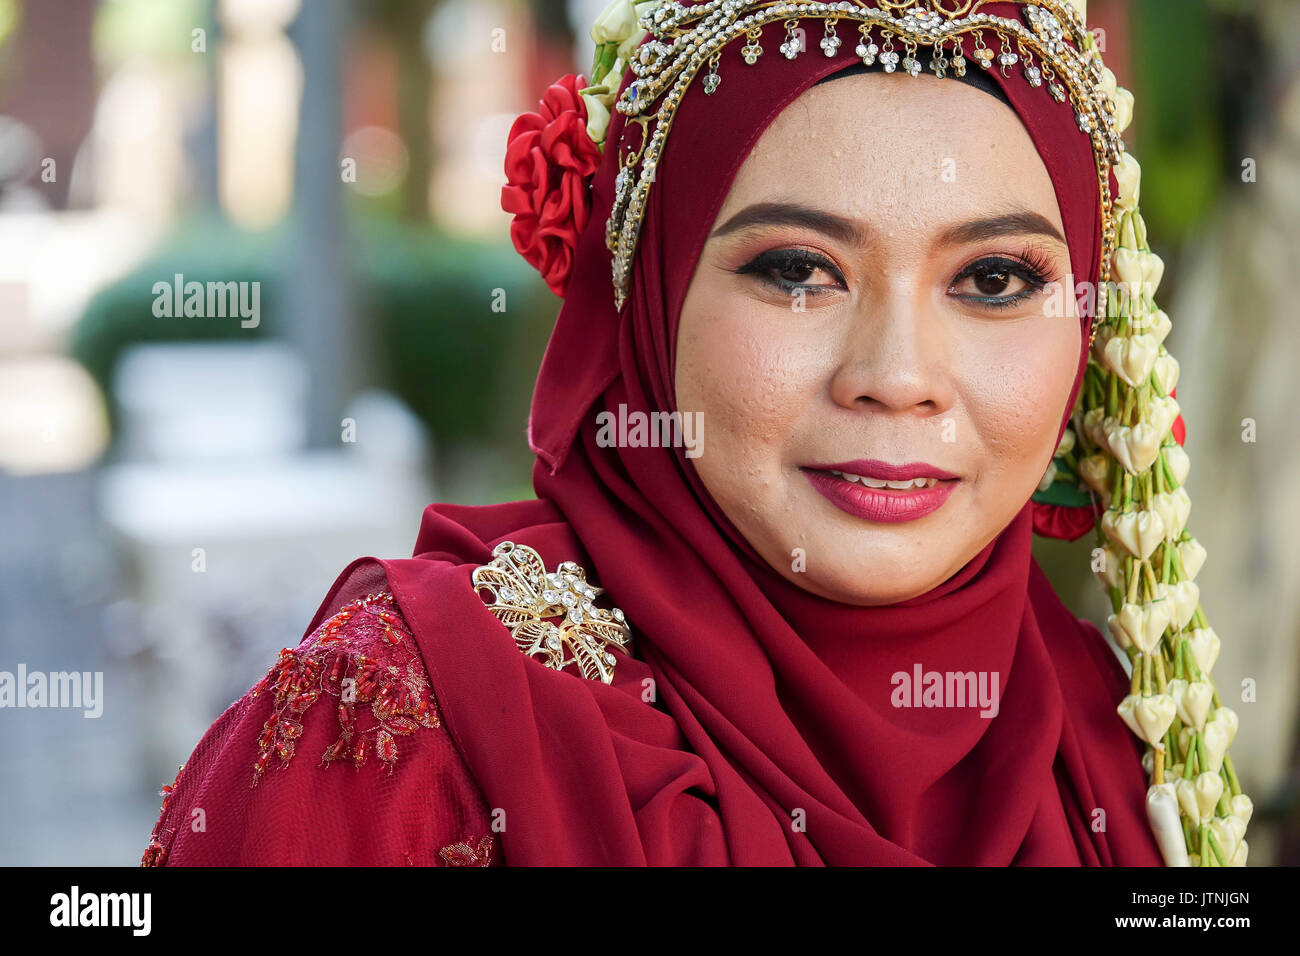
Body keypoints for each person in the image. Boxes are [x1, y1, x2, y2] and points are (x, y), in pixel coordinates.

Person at [142, 0, 1249, 867]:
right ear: (651, 293)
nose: (896, 378)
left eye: (995, 279)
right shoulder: (403, 725)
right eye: (798, 271)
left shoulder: (1121, 735)